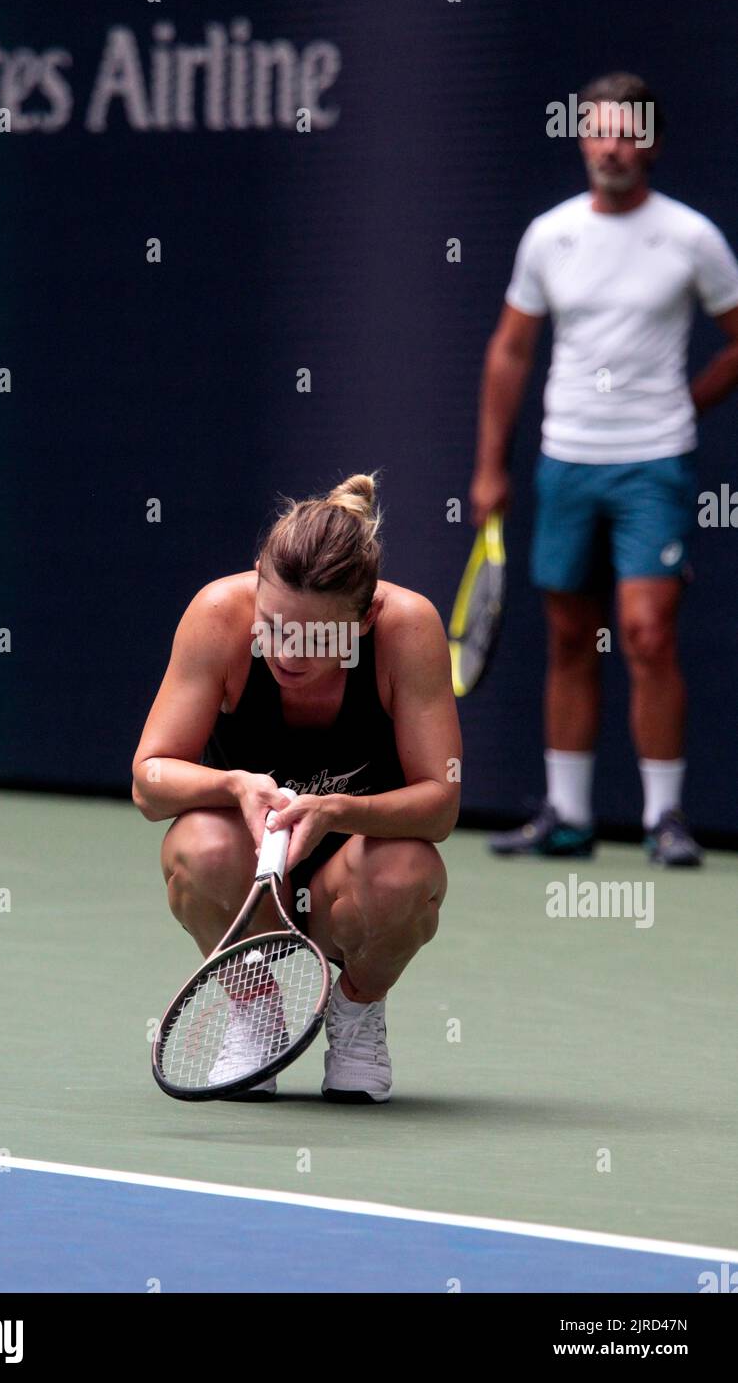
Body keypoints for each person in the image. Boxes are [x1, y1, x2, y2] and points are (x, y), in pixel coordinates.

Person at [472, 72, 738, 864]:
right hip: (566, 460)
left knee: (647, 634)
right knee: (567, 637)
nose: (613, 146)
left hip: (651, 463)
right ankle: (569, 815)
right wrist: (491, 465)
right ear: (582, 138)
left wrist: (687, 405)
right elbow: (511, 350)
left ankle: (664, 817)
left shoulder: (691, 237)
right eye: (599, 132)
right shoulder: (549, 236)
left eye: (628, 133)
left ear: (649, 143)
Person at [132, 474, 460, 1101]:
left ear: (363, 621)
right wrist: (233, 785)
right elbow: (150, 780)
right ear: (256, 580)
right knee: (195, 846)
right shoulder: (216, 616)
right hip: (251, 873)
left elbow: (439, 805)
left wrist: (338, 810)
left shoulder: (409, 629)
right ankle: (254, 1011)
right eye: (272, 625)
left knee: (407, 872)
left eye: (314, 637)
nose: (286, 652)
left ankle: (358, 1010)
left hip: (354, 876)